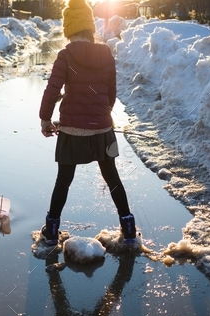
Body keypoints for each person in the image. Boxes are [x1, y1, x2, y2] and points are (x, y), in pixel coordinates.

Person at [39, 0, 136, 245]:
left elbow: (52, 89)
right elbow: (111, 93)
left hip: (72, 132)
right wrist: (101, 114)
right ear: (90, 28)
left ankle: (51, 230)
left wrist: (45, 119)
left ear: (69, 29)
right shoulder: (106, 53)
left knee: (64, 179)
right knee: (112, 176)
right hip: (104, 131)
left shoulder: (65, 55)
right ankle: (128, 225)